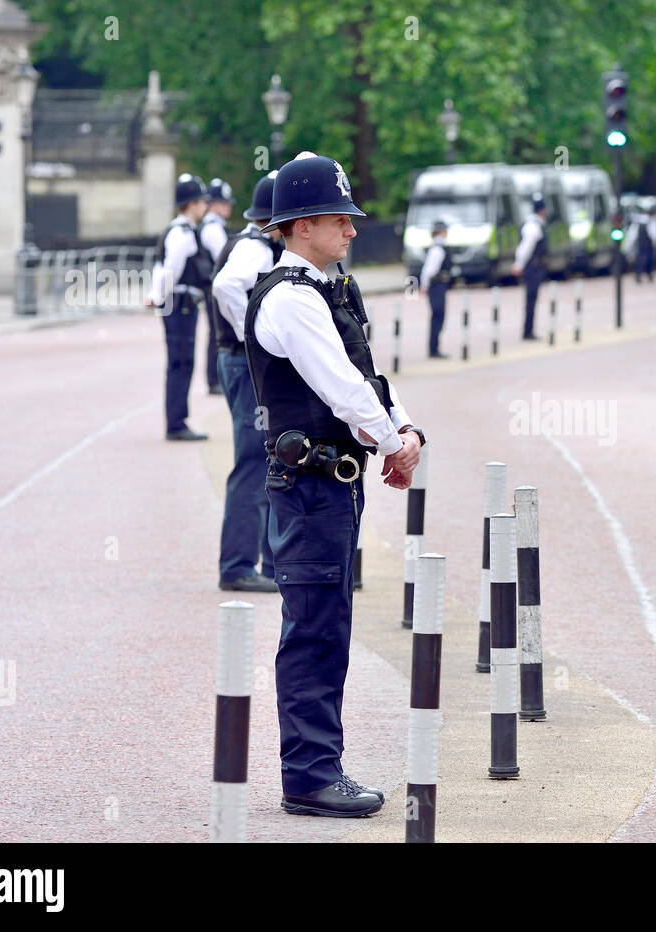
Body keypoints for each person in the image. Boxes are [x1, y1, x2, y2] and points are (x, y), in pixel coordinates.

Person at [245, 151, 425, 817]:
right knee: (315, 632)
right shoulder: (291, 300)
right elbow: (342, 388)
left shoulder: (327, 292)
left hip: (333, 486)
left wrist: (406, 430)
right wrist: (391, 443)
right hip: (309, 486)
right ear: (301, 226)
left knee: (329, 625)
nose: (352, 231)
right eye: (339, 220)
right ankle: (310, 777)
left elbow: (368, 375)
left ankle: (322, 768)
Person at [210, 170, 283, 593]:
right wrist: (254, 335)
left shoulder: (252, 244)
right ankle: (238, 566)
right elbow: (225, 287)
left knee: (262, 460)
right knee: (254, 463)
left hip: (237, 361)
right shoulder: (255, 249)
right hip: (242, 362)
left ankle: (264, 563)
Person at [148, 173, 212, 441]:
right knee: (181, 362)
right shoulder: (182, 233)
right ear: (192, 203)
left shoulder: (179, 230)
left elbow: (162, 266)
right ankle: (176, 423)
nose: (204, 206)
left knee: (181, 361)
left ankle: (177, 420)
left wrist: (157, 295)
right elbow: (170, 269)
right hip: (181, 304)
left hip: (179, 303)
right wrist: (159, 296)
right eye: (201, 201)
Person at [200, 178, 236, 395]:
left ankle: (215, 379)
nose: (227, 206)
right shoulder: (213, 229)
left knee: (216, 332)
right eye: (222, 202)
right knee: (217, 332)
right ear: (212, 204)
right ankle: (214, 379)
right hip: (214, 288)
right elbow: (223, 259)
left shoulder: (214, 226)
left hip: (213, 286)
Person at [512, 194, 548, 340]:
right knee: (530, 300)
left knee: (532, 300)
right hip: (532, 268)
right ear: (541, 210)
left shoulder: (536, 224)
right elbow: (525, 248)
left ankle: (529, 330)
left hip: (534, 268)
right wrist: (518, 264)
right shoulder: (533, 226)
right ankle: (528, 331)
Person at [418, 220, 452, 357]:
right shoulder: (438, 248)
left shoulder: (438, 247)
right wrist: (424, 285)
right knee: (438, 316)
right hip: (436, 286)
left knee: (438, 316)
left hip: (438, 285)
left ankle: (434, 348)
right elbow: (429, 270)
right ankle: (434, 349)